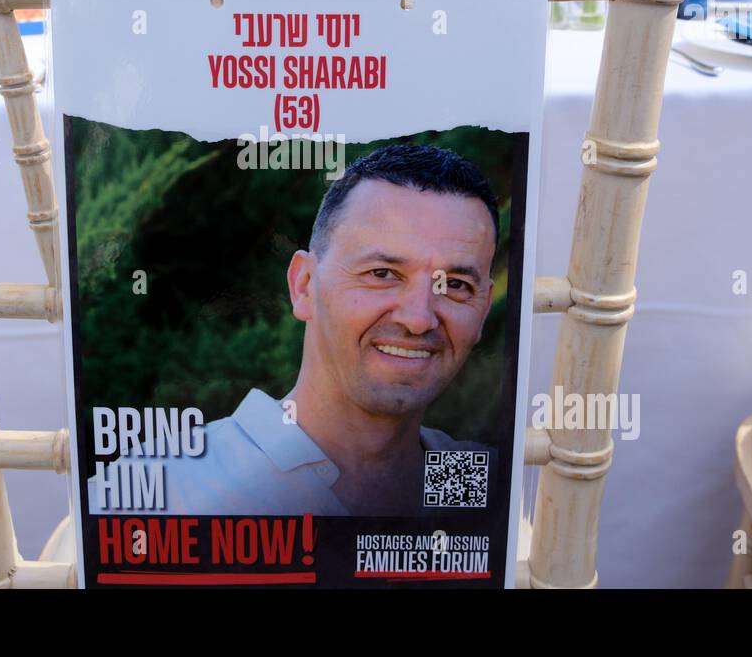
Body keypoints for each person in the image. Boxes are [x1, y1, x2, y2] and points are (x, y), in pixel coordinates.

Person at [88, 143, 500, 517]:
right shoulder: (157, 490)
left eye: (456, 285)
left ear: (483, 307)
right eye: (383, 273)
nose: (418, 318)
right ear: (303, 285)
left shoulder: (481, 483)